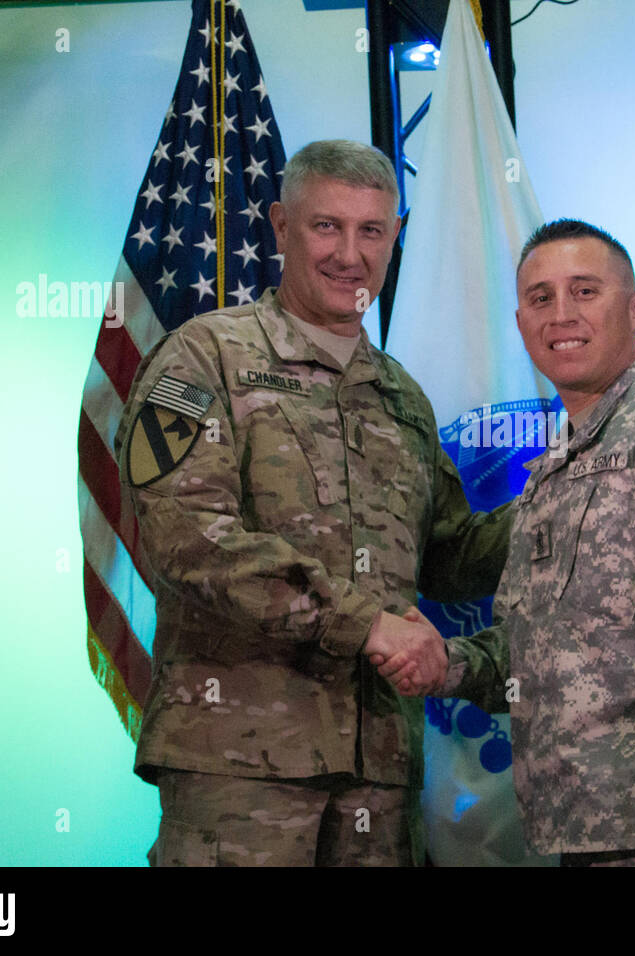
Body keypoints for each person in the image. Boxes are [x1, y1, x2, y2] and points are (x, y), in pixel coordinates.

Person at [116, 140, 509, 866]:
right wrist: (366, 628)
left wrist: (570, 489)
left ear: (397, 235)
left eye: (371, 231)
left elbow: (452, 558)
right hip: (239, 772)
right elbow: (187, 542)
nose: (349, 255)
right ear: (280, 225)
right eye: (326, 226)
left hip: (379, 781)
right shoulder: (204, 358)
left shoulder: (402, 398)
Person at [375, 219, 635, 867]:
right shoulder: (556, 469)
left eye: (585, 291)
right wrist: (451, 664)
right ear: (520, 323)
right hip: (588, 831)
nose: (562, 314)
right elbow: (548, 655)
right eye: (541, 298)